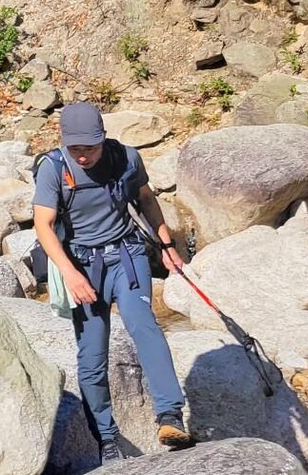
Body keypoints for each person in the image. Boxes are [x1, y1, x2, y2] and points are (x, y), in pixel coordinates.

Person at [32, 102, 195, 463]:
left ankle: (170, 416)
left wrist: (166, 245)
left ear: (103, 138)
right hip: (82, 265)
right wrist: (70, 274)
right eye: (76, 149)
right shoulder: (53, 169)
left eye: (90, 147)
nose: (84, 156)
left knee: (144, 326)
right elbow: (43, 226)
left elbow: (147, 200)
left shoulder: (126, 159)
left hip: (126, 256)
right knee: (92, 356)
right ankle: (106, 439)